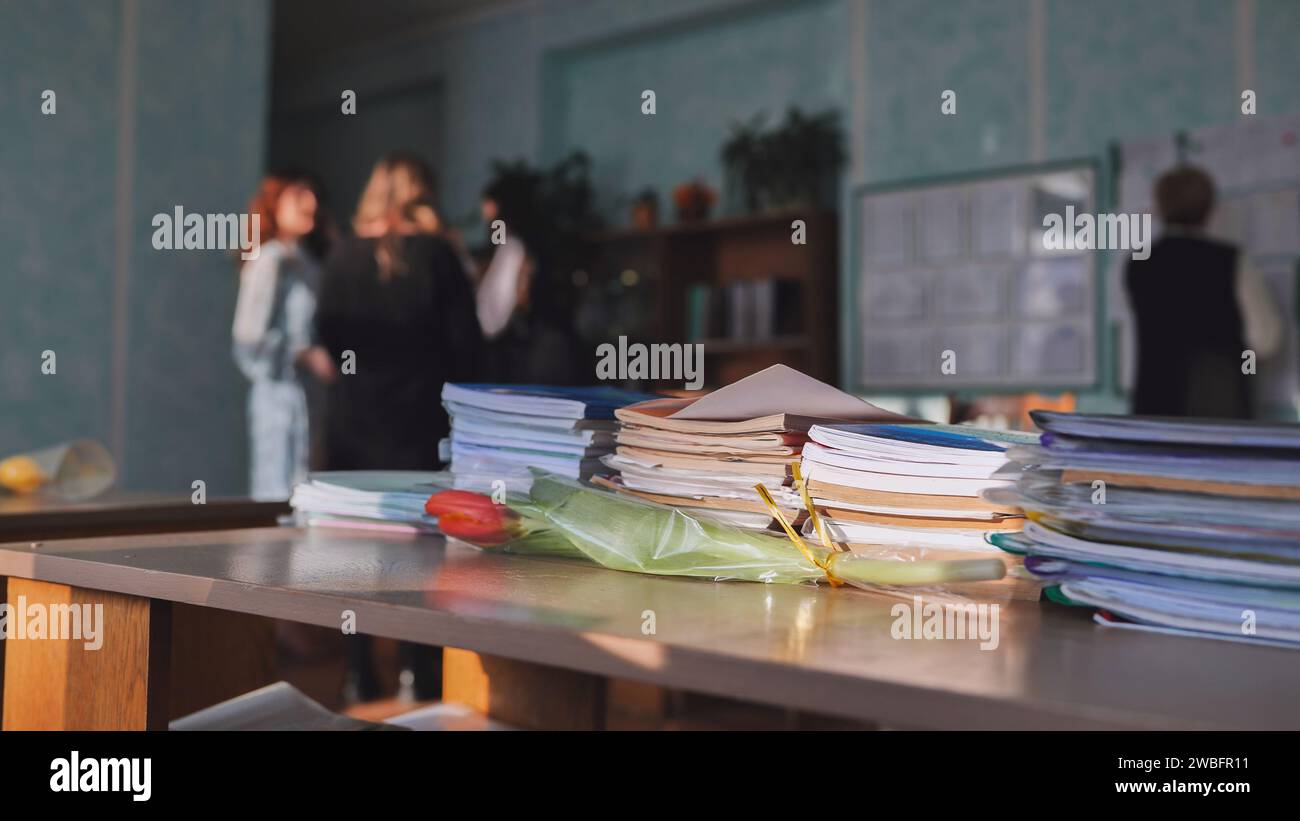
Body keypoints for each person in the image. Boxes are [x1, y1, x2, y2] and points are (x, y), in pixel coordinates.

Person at [315, 152, 481, 702]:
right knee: (428, 554)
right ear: (423, 194)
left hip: (354, 425)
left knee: (354, 553)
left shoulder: (342, 256)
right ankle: (420, 670)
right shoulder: (437, 255)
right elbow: (469, 349)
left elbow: (330, 342)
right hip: (421, 424)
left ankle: (358, 671)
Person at [1125, 165, 1282, 418]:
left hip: (1153, 408)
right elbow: (1264, 340)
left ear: (1159, 207)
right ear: (1209, 209)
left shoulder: (1138, 264)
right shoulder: (1229, 261)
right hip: (1218, 408)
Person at [232, 171, 336, 500]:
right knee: (277, 492)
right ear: (274, 205)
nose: (311, 203)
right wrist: (302, 353)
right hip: (278, 397)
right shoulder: (270, 259)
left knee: (304, 488)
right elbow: (248, 340)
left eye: (312, 194)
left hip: (306, 397)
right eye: (298, 195)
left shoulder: (305, 260)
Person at [475, 168, 583, 385]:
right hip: (544, 343)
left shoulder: (513, 246)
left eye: (487, 204)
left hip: (529, 350)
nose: (483, 210)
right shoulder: (528, 242)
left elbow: (495, 314)